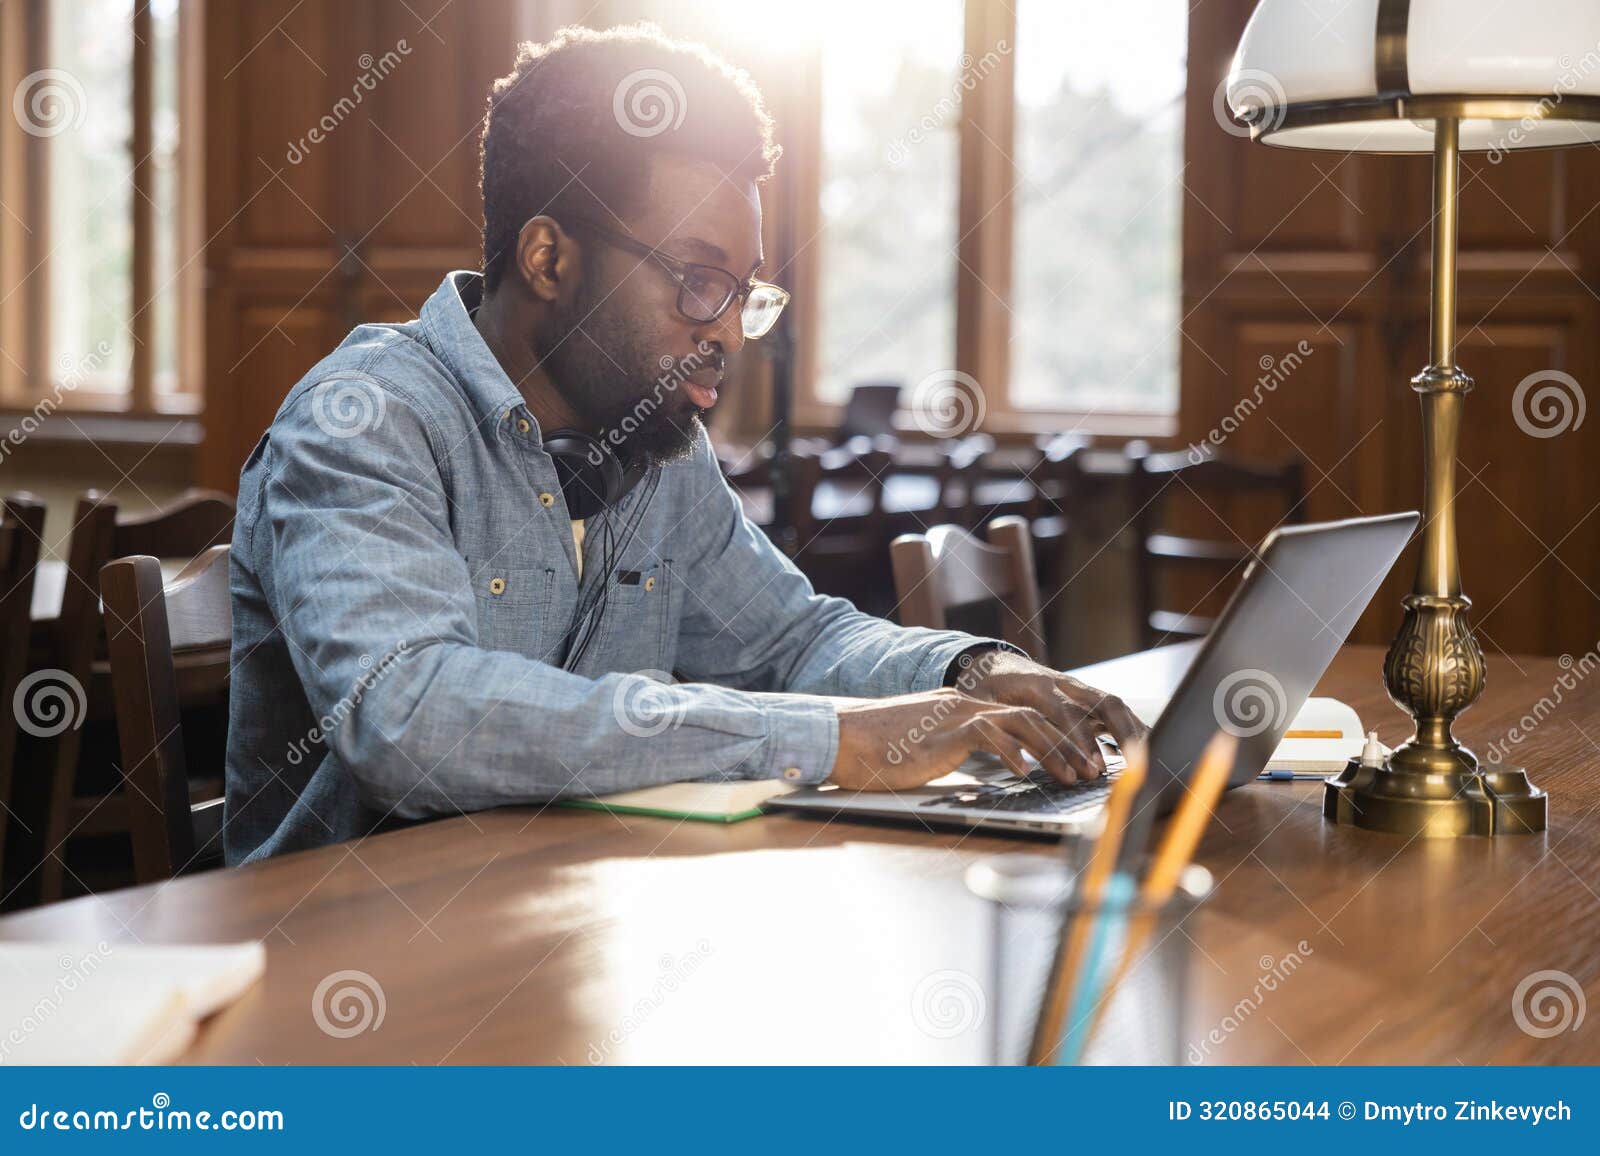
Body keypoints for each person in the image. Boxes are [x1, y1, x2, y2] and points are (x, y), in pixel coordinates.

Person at [224, 23, 1145, 864]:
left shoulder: (655, 443)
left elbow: (789, 639)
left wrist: (974, 672)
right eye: (699, 281)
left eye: (745, 292)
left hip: (561, 932)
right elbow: (407, 716)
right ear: (550, 259)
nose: (732, 332)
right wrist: (828, 739)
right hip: (337, 976)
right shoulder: (365, 419)